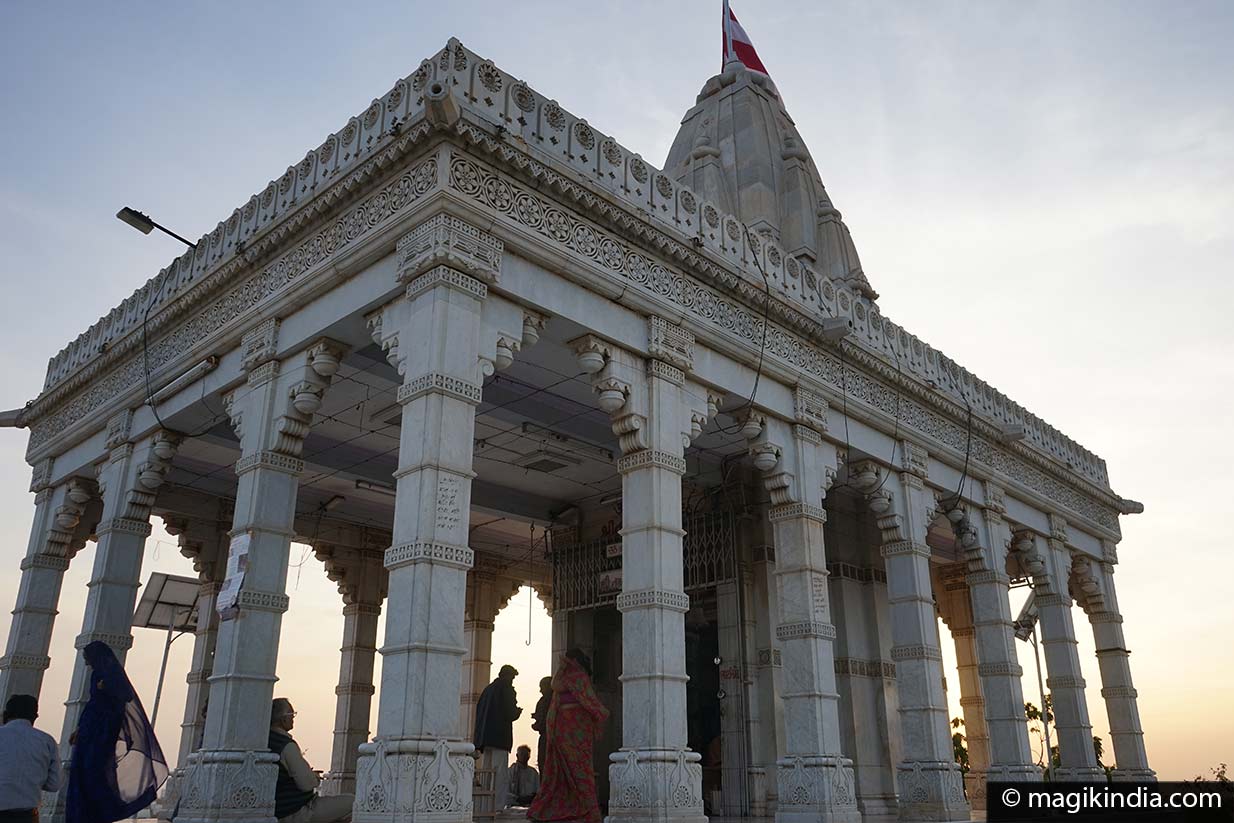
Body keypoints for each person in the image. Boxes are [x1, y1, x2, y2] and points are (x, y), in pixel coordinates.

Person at [66, 641, 167, 823]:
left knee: (94, 771)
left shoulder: (110, 675)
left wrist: (108, 687)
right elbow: (93, 703)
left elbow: (124, 696)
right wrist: (80, 728)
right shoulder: (98, 674)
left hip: (102, 730)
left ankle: (98, 813)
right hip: (91, 727)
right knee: (85, 771)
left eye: (87, 658)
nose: (87, 662)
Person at [528, 648, 609, 823]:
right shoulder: (566, 676)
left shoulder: (579, 677)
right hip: (563, 731)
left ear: (574, 661)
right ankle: (563, 808)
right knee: (561, 770)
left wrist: (563, 667)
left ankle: (587, 809)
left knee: (578, 770)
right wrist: (561, 668)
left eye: (567, 661)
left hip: (577, 731)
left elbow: (563, 688)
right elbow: (555, 685)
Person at [268, 698, 353, 823]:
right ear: (283, 719)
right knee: (354, 802)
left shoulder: (267, 740)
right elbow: (306, 784)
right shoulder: (286, 745)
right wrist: (315, 777)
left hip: (277, 808)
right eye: (291, 714)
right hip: (295, 810)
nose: (293, 718)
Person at [0, 694, 61, 823]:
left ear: (5, 714)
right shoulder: (47, 741)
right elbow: (54, 785)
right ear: (35, 717)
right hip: (27, 816)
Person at [473, 664, 522, 809]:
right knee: (500, 774)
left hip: (485, 739)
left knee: (487, 774)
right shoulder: (506, 689)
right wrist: (517, 712)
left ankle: (486, 806)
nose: (512, 680)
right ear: (507, 676)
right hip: (500, 738)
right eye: (512, 677)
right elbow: (510, 712)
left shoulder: (488, 690)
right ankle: (498, 807)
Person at [530, 676, 553, 770]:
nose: (540, 690)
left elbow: (542, 721)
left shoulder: (545, 701)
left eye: (542, 687)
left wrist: (537, 724)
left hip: (549, 737)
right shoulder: (550, 700)